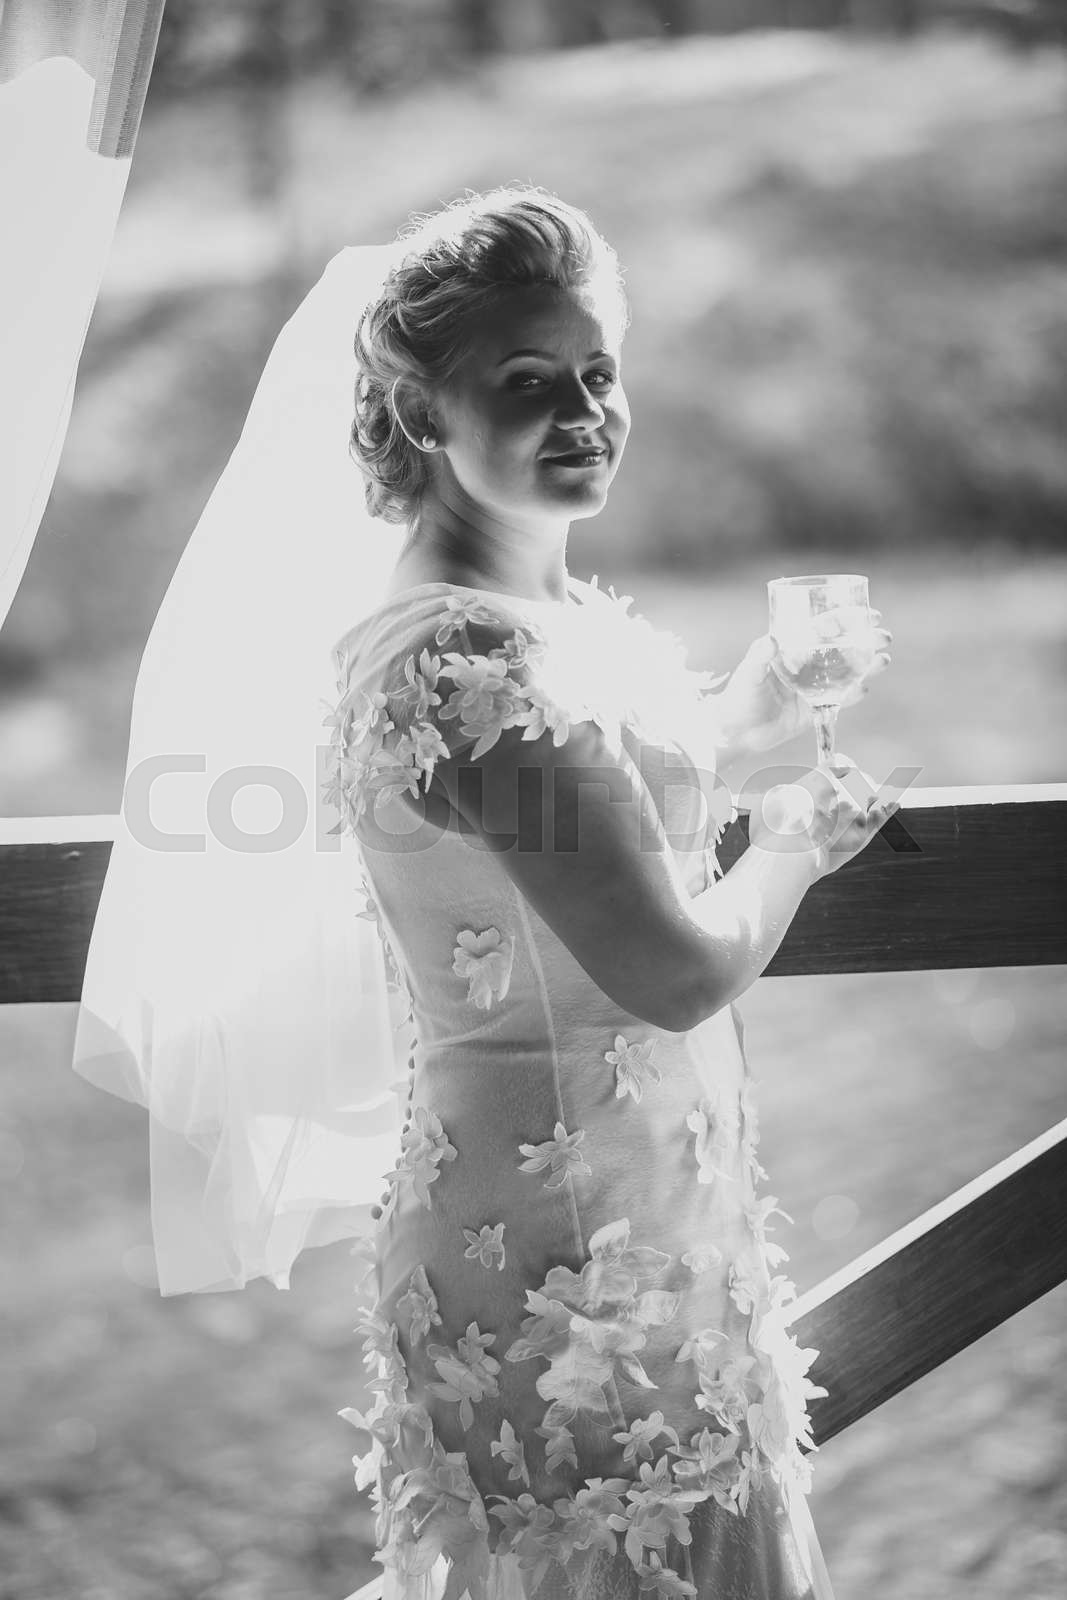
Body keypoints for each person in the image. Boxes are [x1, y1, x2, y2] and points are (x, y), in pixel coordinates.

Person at [324, 184, 896, 1600]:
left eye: (598, 371)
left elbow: (599, 799)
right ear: (420, 416)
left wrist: (742, 705)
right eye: (529, 383)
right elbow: (674, 969)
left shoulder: (506, 620)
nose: (584, 409)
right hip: (576, 1273)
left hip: (638, 1217)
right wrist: (795, 841)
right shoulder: (473, 667)